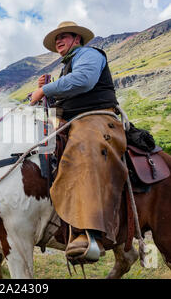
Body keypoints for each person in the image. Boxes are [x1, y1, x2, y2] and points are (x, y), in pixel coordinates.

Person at [30, 21, 128, 264]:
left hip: (97, 119)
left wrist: (46, 90)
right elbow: (66, 100)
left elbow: (84, 80)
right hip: (73, 121)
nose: (58, 41)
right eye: (56, 39)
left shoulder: (88, 54)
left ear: (77, 39)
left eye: (63, 36)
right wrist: (50, 94)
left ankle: (88, 233)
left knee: (83, 147)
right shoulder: (67, 67)